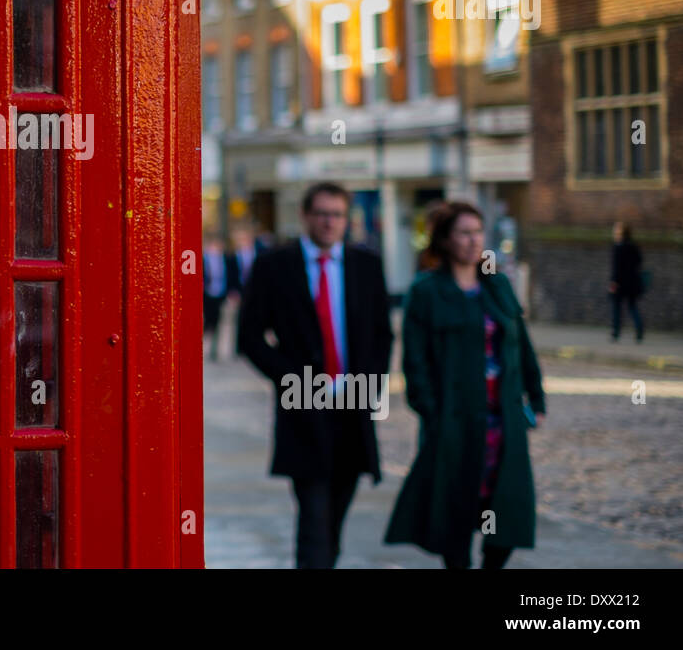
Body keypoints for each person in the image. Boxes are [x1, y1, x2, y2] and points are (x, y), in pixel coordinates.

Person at [237, 182, 394, 568]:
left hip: (353, 407)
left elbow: (382, 335)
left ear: (347, 219)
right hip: (303, 407)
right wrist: (290, 379)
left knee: (335, 519)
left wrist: (370, 386)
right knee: (313, 518)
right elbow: (249, 337)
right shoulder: (275, 266)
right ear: (305, 216)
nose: (329, 222)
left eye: (337, 215)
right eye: (322, 214)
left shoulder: (366, 266)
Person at [384, 201, 547, 569]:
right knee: (454, 510)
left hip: (503, 422)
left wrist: (536, 400)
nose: (474, 240)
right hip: (454, 423)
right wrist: (433, 413)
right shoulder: (426, 291)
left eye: (478, 232)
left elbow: (521, 344)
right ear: (445, 239)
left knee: (508, 509)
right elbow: (415, 363)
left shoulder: (497, 285)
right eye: (464, 233)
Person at [608, 222, 644, 343]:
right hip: (632, 282)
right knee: (632, 307)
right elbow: (639, 261)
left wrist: (613, 282)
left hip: (620, 283)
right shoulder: (633, 246)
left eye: (616, 231)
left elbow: (616, 267)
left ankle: (615, 332)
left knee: (617, 308)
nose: (615, 233)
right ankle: (639, 330)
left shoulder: (618, 247)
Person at [202, 235, 230, 362]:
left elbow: (230, 275)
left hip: (220, 293)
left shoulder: (225, 259)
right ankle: (203, 346)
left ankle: (215, 349)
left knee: (218, 321)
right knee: (208, 321)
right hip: (207, 294)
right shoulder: (203, 259)